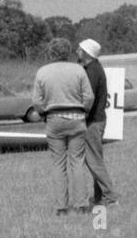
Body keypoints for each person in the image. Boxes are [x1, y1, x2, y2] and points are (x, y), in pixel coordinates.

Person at [32, 38, 94, 216]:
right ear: (68, 52)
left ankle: (61, 207)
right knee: (77, 162)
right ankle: (81, 205)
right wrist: (84, 111)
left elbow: (36, 101)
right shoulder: (79, 70)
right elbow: (88, 97)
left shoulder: (42, 72)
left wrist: (44, 113)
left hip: (53, 120)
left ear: (51, 53)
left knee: (58, 164)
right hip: (77, 119)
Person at [77, 39, 117, 207]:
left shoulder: (91, 71)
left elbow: (89, 98)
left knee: (93, 161)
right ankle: (100, 197)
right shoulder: (93, 68)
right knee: (96, 159)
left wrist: (81, 116)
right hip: (97, 120)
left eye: (79, 48)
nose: (77, 50)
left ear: (86, 52)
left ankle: (110, 197)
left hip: (92, 121)